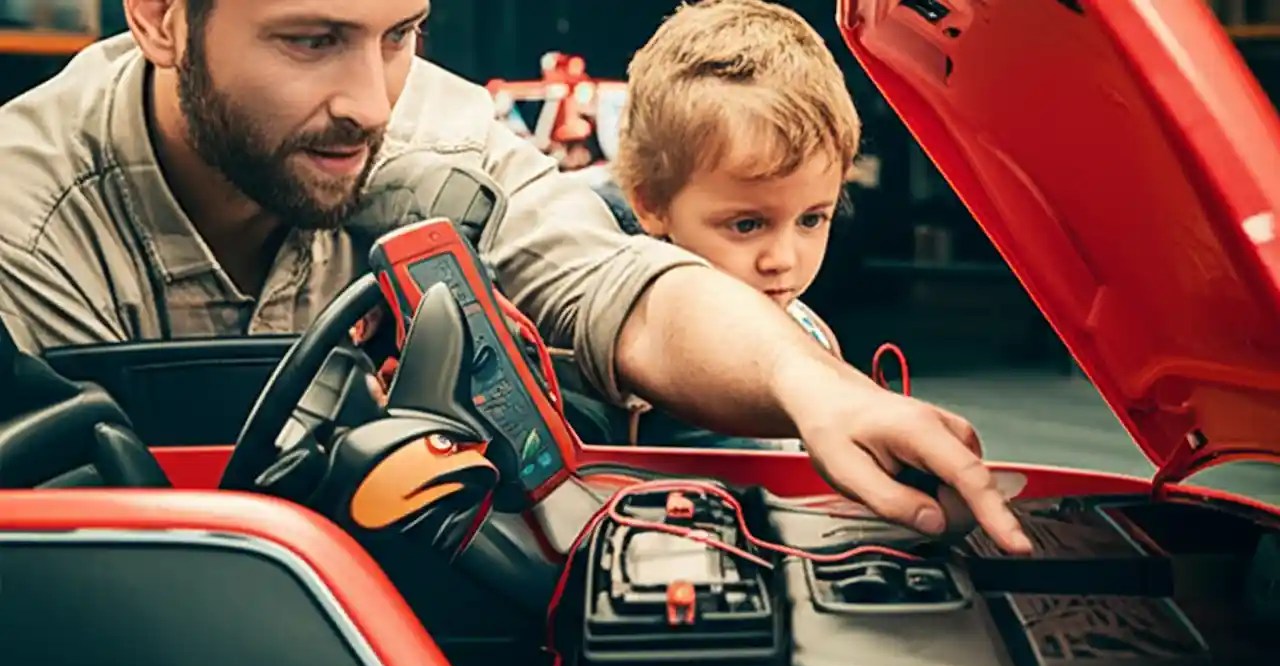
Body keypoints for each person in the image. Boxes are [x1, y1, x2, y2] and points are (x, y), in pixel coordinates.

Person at [0, 0, 1031, 555]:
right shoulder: (25, 227)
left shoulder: (432, 137)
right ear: (162, 20)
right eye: (311, 41)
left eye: (399, 35)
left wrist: (805, 383)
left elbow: (614, 286)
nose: (368, 100)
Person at [612, 0, 851, 356]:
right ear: (652, 203)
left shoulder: (810, 330)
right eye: (747, 225)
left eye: (811, 219)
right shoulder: (648, 354)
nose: (782, 259)